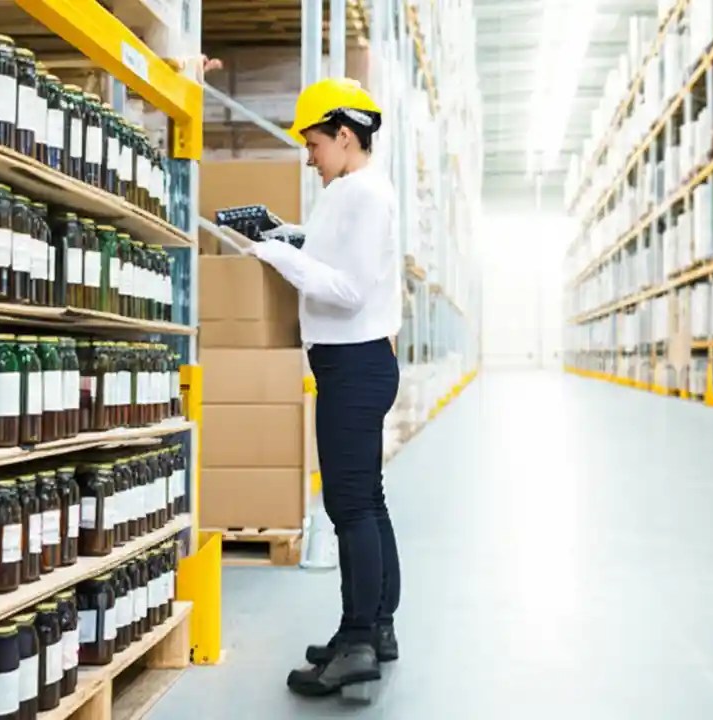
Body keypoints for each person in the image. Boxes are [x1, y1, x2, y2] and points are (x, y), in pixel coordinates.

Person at [246, 77, 403, 697]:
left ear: (345, 135)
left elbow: (348, 289)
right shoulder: (350, 193)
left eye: (313, 144)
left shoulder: (363, 194)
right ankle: (374, 628)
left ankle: (358, 639)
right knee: (369, 499)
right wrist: (295, 239)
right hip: (357, 363)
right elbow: (338, 260)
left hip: (354, 365)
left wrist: (278, 258)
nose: (308, 156)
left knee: (350, 507)